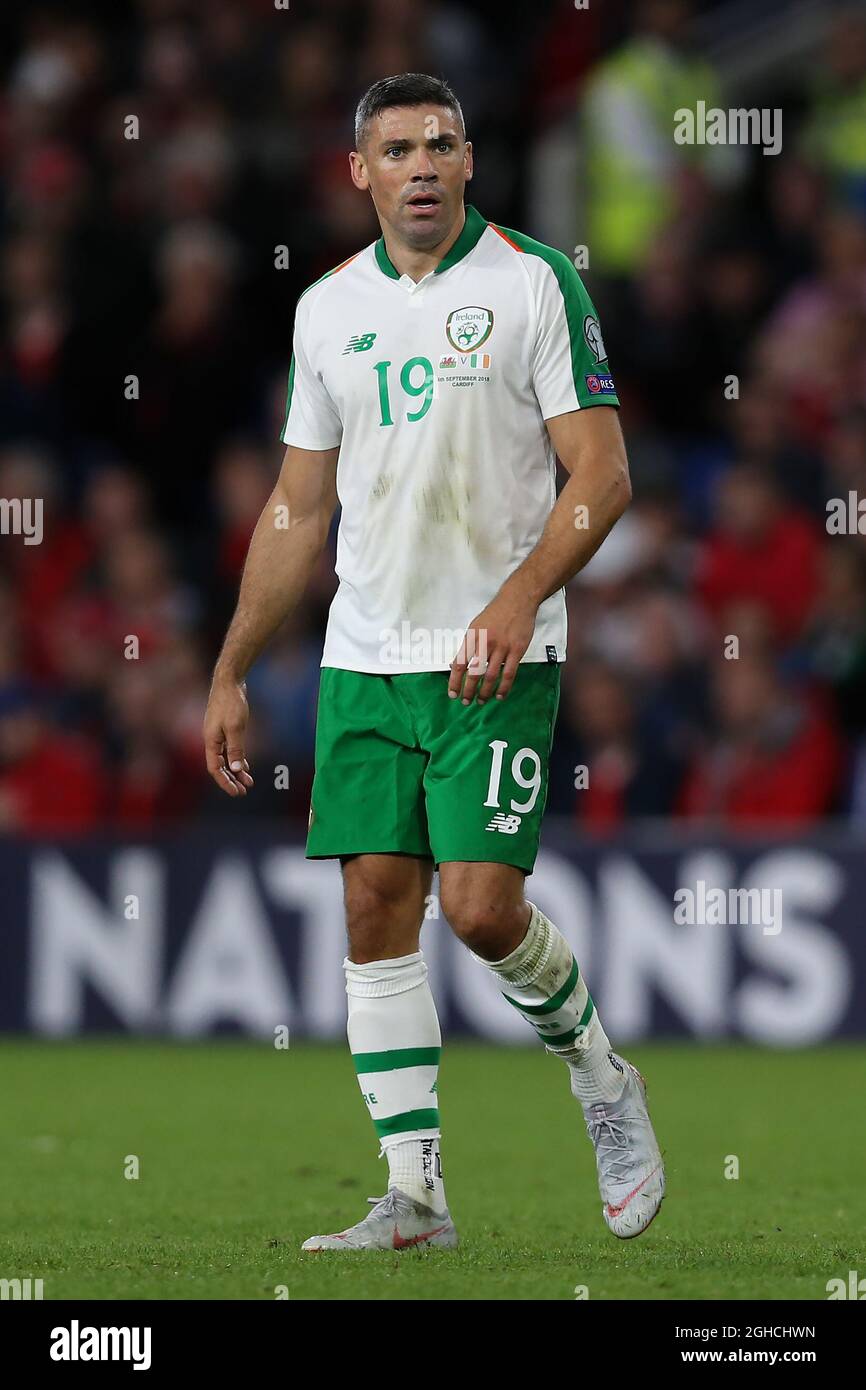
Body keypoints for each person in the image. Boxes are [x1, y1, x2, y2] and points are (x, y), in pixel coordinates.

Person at [203, 72, 663, 1251]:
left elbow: (601, 475)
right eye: (396, 147)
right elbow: (298, 510)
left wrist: (515, 601)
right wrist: (231, 666)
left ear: (468, 163)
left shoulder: (531, 284)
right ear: (357, 171)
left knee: (476, 905)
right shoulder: (324, 311)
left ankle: (603, 1080)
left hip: (492, 655)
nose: (419, 164)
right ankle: (414, 1198)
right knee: (371, 904)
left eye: (440, 144)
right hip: (366, 655)